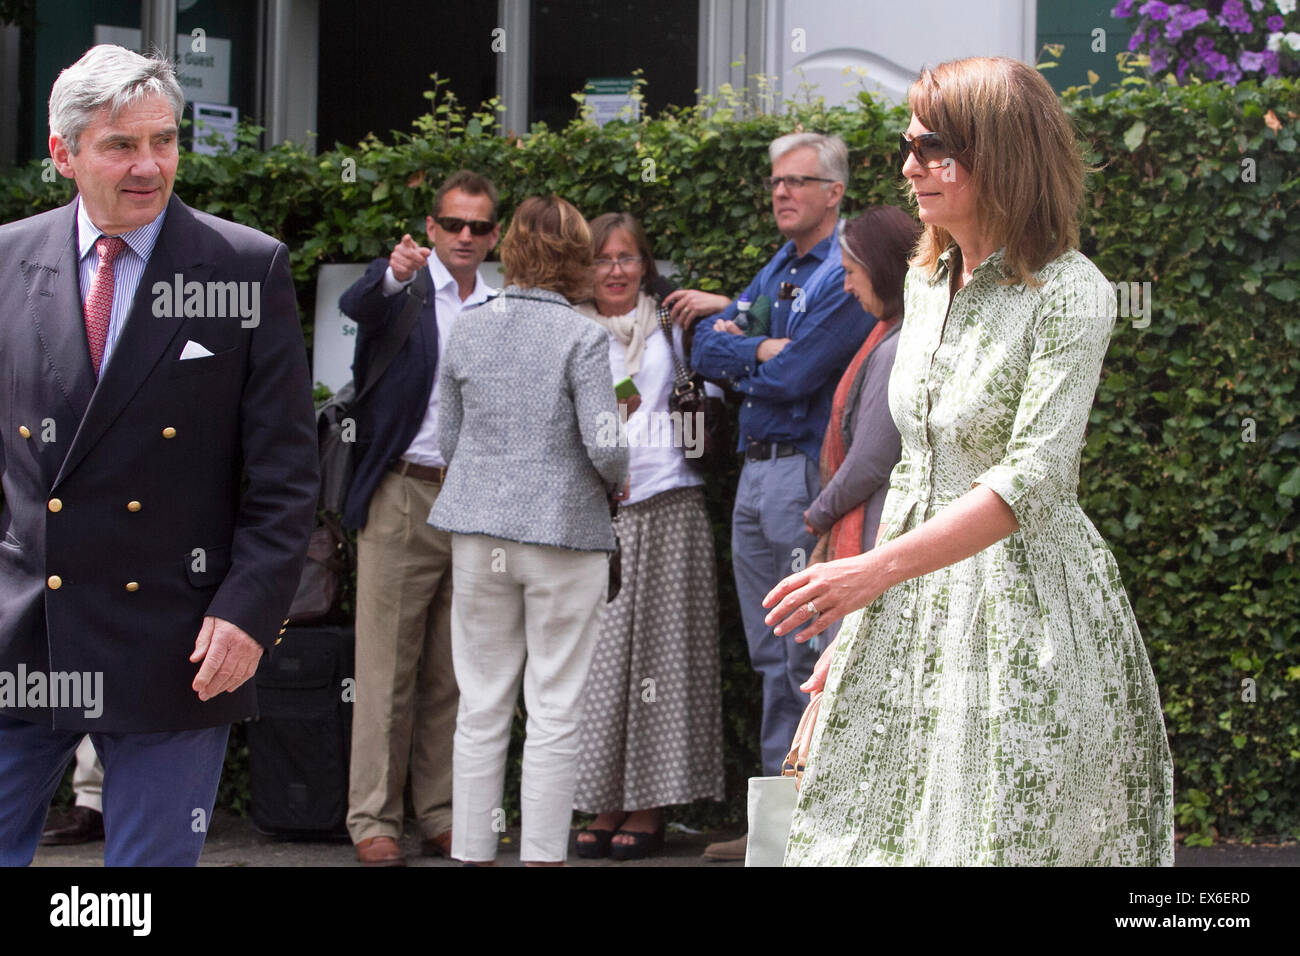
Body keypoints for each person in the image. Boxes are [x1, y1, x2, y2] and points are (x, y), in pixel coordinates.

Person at [765, 56, 1175, 865]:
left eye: (932, 147)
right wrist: (857, 630)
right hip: (910, 596)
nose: (909, 165)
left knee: (998, 836)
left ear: (1002, 155)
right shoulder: (924, 281)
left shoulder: (1071, 293)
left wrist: (868, 576)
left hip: (1024, 608)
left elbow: (1033, 482)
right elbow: (913, 470)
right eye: (909, 143)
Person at [0, 44, 317, 867]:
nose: (149, 166)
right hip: (26, 636)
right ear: (63, 154)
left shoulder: (245, 268)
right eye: (120, 146)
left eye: (164, 141)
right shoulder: (5, 262)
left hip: (176, 639)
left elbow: (285, 475)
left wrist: (250, 610)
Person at [664, 133, 872, 861]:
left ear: (834, 194)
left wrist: (753, 348)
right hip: (756, 473)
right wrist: (761, 346)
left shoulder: (846, 271)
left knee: (805, 655)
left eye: (798, 182)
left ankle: (810, 833)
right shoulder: (782, 266)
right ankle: (777, 832)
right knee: (769, 653)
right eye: (776, 181)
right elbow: (704, 350)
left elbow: (796, 377)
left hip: (802, 478)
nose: (781, 193)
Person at [428, 195, 629, 866]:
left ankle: (474, 852)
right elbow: (605, 445)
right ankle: (543, 856)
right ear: (578, 257)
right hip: (563, 531)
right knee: (555, 707)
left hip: (477, 530)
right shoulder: (583, 335)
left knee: (480, 706)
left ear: (508, 248)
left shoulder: (469, 325)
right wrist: (619, 474)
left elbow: (449, 439)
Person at [337, 170, 501, 867]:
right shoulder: (401, 289)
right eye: (453, 224)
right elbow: (358, 306)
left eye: (480, 227)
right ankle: (373, 818)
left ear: (493, 236)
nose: (466, 237)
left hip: (475, 500)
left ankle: (442, 813)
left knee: (454, 673)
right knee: (384, 672)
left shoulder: (500, 306)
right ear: (431, 229)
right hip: (403, 494)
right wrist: (390, 273)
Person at [571, 213, 725, 860]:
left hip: (669, 502)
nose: (615, 270)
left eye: (627, 258)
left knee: (665, 659)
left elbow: (711, 386)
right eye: (603, 258)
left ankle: (649, 805)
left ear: (646, 265)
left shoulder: (670, 323)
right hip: (594, 514)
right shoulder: (571, 327)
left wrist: (729, 306)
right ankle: (603, 799)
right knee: (598, 665)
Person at [803, 207, 920, 564]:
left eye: (851, 273)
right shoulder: (901, 334)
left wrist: (818, 513)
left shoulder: (895, 348)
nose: (847, 286)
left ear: (880, 269)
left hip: (878, 533)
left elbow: (870, 461)